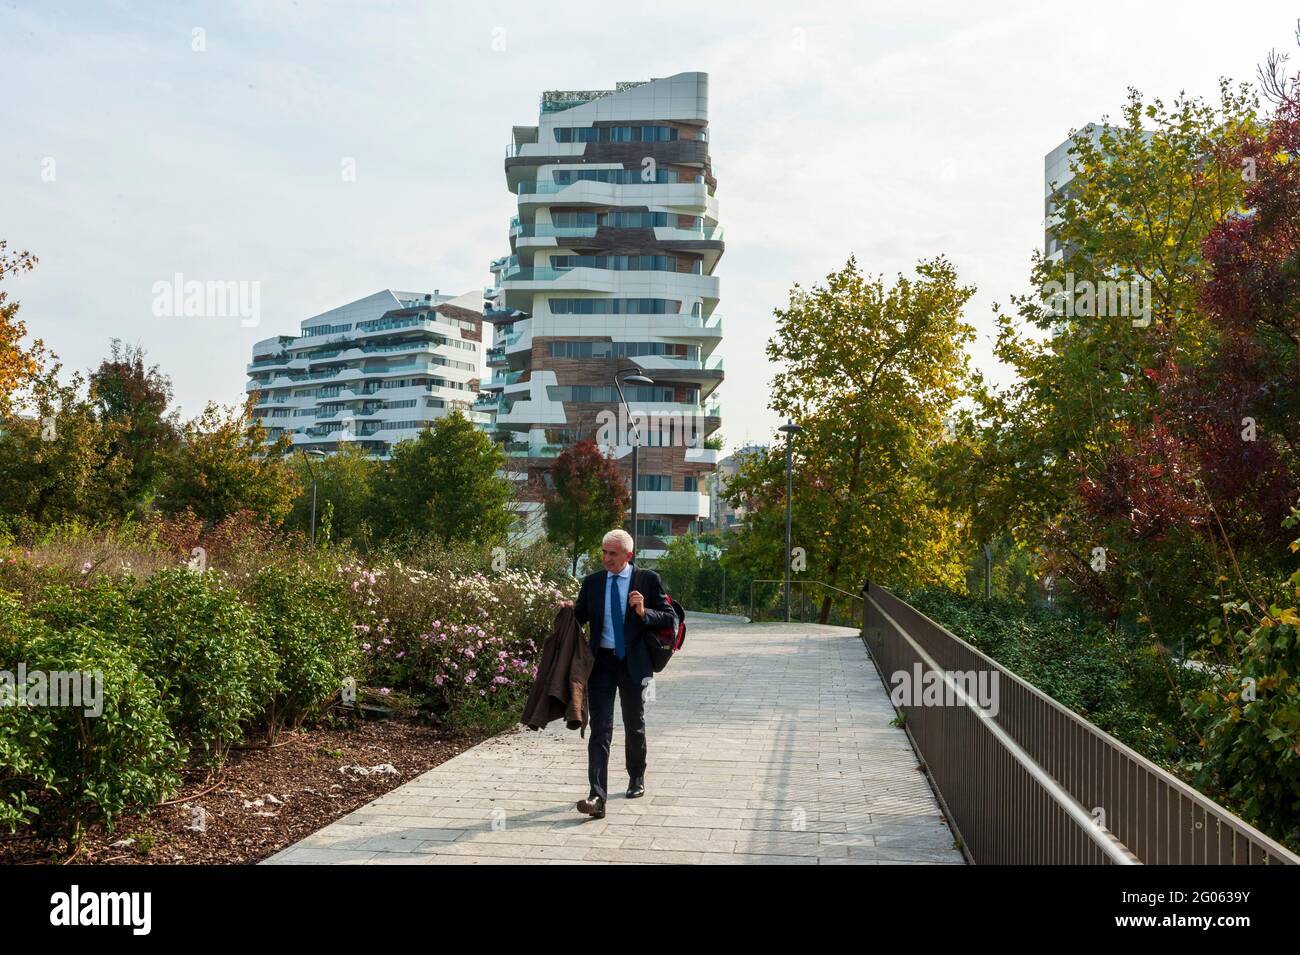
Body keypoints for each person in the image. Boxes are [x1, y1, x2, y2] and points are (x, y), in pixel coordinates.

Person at [559, 528, 674, 819]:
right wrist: (567, 610)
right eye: (604, 552)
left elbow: (669, 617)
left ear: (628, 555)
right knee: (600, 729)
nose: (606, 558)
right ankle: (597, 796)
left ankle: (636, 777)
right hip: (602, 665)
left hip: (633, 663)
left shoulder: (647, 580)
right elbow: (581, 615)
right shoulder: (594, 582)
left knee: (634, 723)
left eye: (613, 553)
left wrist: (643, 612)